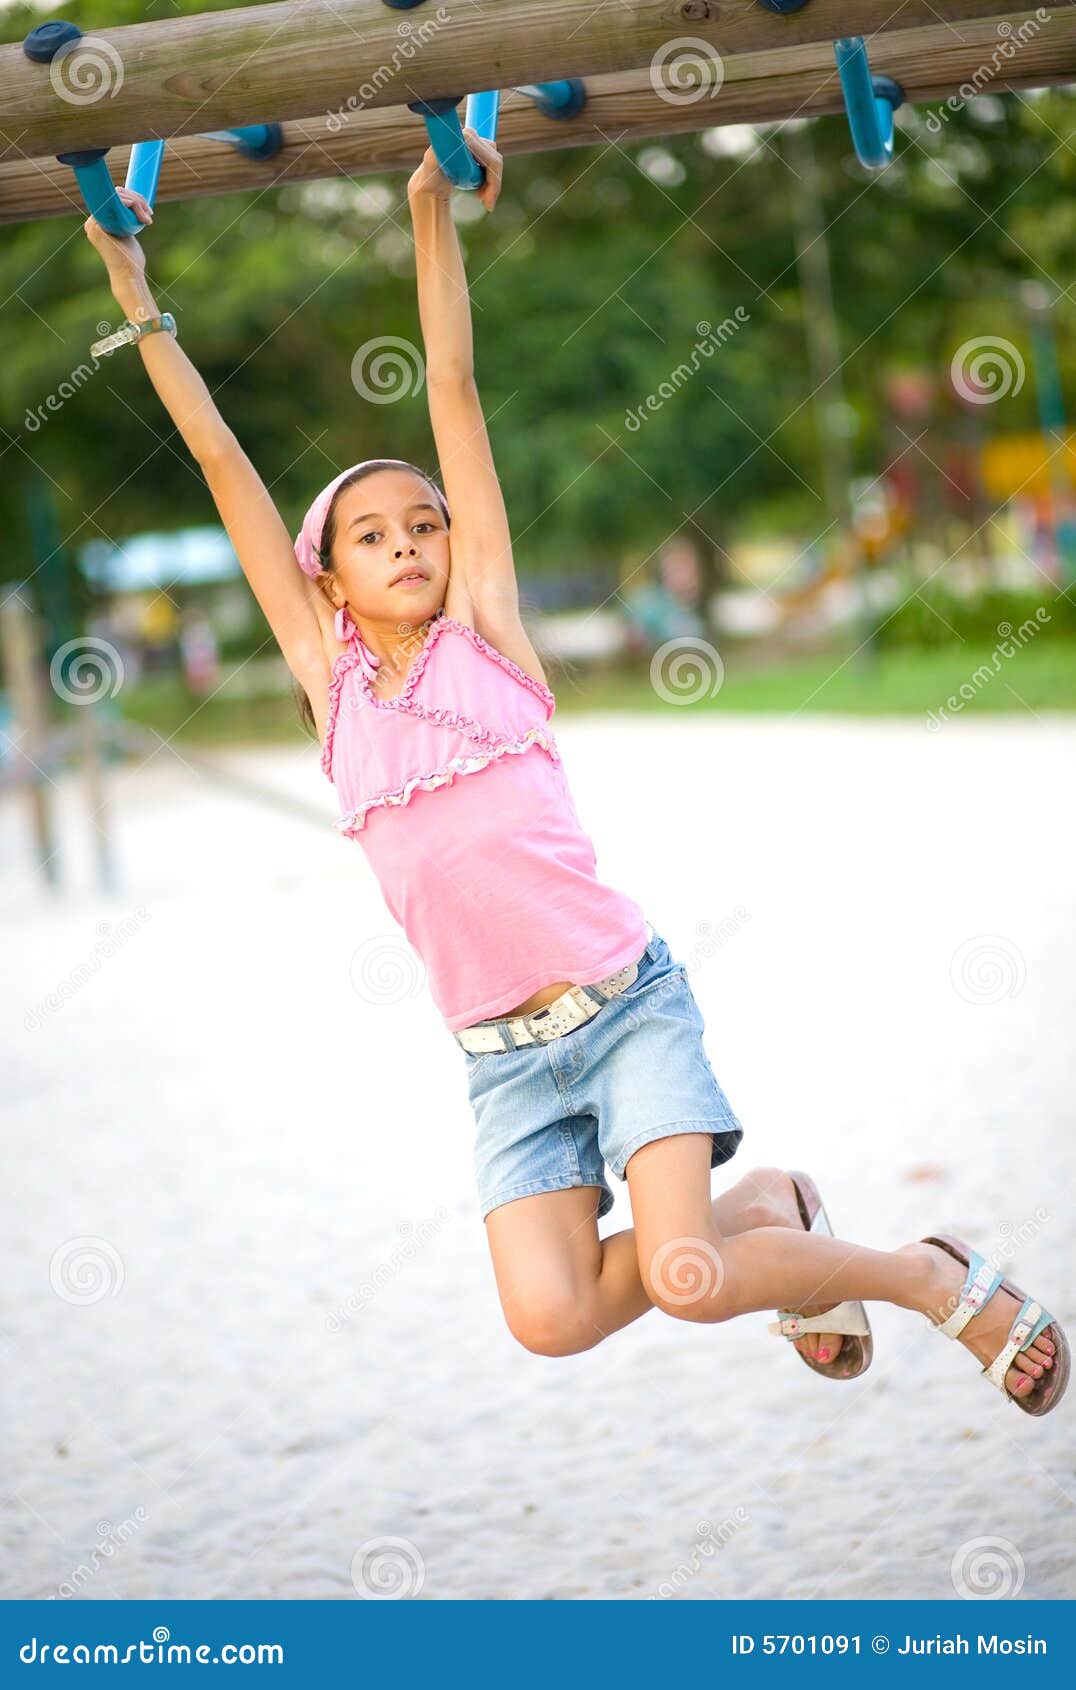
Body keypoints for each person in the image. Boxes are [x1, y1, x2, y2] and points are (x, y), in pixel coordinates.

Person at [82, 135, 1066, 1414]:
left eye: (422, 523)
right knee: (549, 1319)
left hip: (623, 1006)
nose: (407, 544)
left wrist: (427, 204)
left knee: (687, 1274)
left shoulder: (486, 632)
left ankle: (930, 1277)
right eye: (370, 535)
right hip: (501, 1060)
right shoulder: (330, 690)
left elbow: (449, 381)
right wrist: (134, 295)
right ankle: (766, 1212)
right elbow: (221, 460)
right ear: (324, 579)